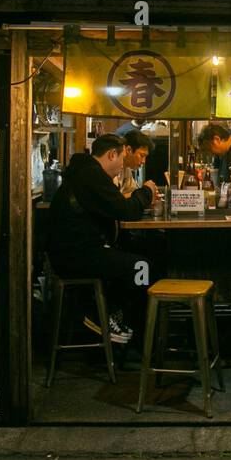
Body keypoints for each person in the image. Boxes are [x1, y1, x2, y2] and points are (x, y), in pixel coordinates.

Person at [47, 134, 160, 344]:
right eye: (121, 158)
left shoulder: (86, 172)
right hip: (76, 258)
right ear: (111, 154)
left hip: (75, 252)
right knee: (142, 267)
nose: (121, 165)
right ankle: (104, 315)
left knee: (140, 260)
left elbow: (117, 206)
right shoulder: (92, 176)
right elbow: (126, 210)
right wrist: (146, 192)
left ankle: (115, 313)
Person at [117, 128, 154, 196]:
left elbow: (132, 192)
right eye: (142, 155)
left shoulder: (127, 169)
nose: (143, 161)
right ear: (129, 150)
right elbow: (116, 200)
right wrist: (145, 192)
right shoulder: (113, 168)